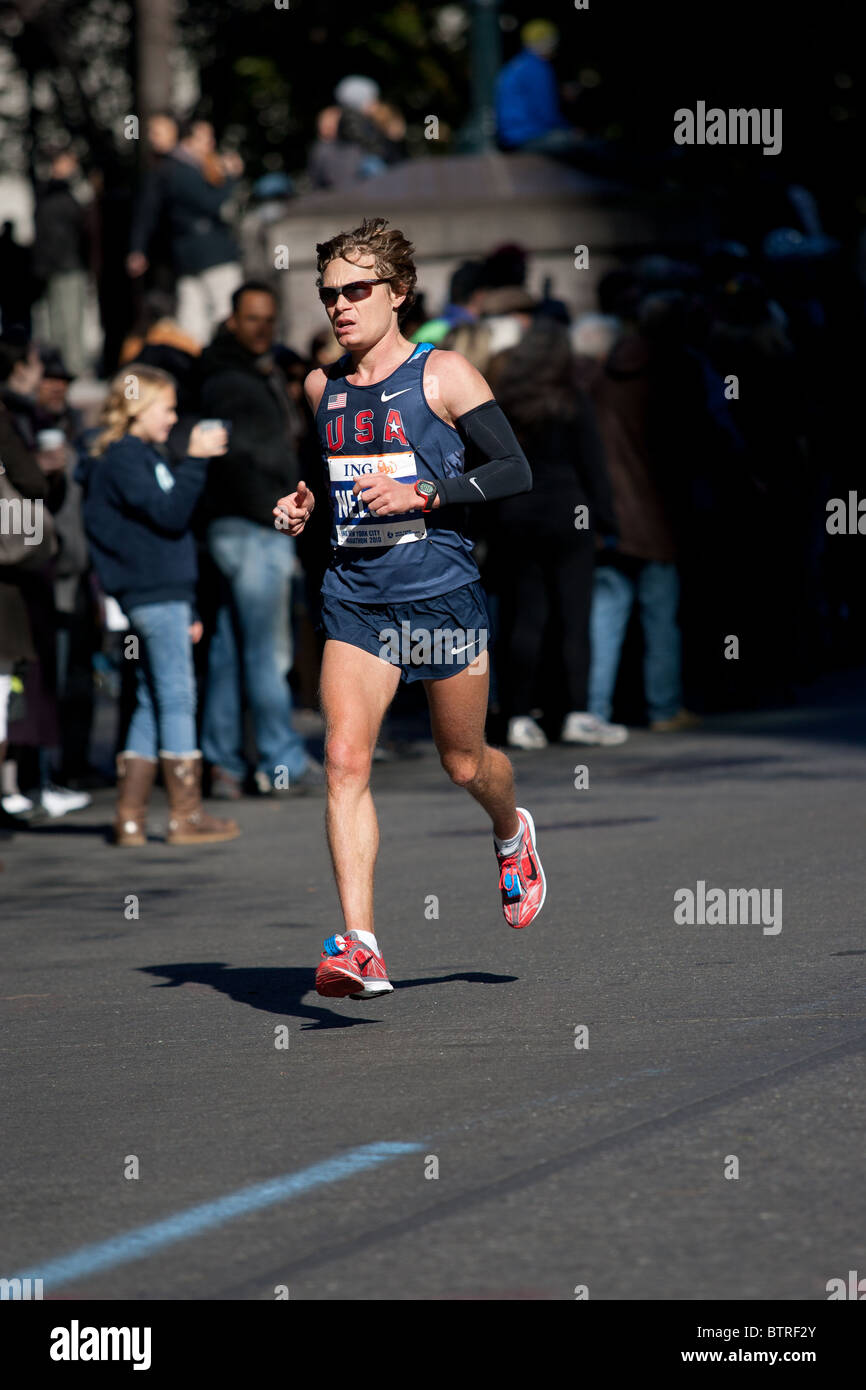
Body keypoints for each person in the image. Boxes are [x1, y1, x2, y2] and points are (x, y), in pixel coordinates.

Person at [272, 217, 547, 1001]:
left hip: (439, 597)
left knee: (464, 763)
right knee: (345, 762)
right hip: (355, 597)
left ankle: (509, 830)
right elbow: (326, 481)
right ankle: (361, 945)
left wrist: (427, 491)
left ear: (397, 294)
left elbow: (515, 471)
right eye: (330, 295)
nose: (341, 306)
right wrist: (301, 505)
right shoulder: (320, 387)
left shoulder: (445, 375)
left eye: (357, 290)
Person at [76, 364, 240, 846]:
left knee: (152, 699)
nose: (173, 419)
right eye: (166, 409)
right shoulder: (126, 457)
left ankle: (130, 816)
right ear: (138, 407)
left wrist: (186, 604)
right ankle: (184, 816)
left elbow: (161, 529)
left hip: (160, 596)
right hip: (153, 595)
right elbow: (169, 517)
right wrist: (195, 460)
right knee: (176, 695)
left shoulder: (137, 454)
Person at [196, 281, 320, 798]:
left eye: (270, 319)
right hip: (252, 529)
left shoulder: (241, 371)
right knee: (267, 651)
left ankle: (223, 764)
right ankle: (279, 760)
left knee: (230, 647)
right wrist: (273, 515)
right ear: (232, 320)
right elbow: (238, 463)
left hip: (235, 527)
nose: (263, 328)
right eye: (253, 319)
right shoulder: (230, 380)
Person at [485, 319, 624, 748]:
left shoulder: (504, 403)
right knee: (573, 617)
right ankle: (575, 713)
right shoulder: (572, 402)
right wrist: (608, 523)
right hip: (570, 515)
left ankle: (519, 716)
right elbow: (594, 467)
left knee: (525, 618)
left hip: (516, 515)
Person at [126, 118, 244, 345]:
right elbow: (212, 204)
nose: (210, 144)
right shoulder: (183, 171)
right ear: (188, 140)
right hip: (211, 255)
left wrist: (138, 248)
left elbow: (147, 214)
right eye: (205, 138)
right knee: (225, 314)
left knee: (192, 321)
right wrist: (230, 178)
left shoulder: (169, 169)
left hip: (186, 257)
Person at [32, 147, 90, 377]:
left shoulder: (67, 194)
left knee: (68, 319)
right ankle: (63, 367)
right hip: (60, 264)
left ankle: (69, 366)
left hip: (67, 264)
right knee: (61, 320)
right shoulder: (56, 194)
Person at [495, 20, 578, 155]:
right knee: (591, 148)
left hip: (512, 137)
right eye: (553, 43)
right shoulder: (538, 68)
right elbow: (546, 113)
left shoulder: (518, 64)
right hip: (528, 136)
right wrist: (569, 130)